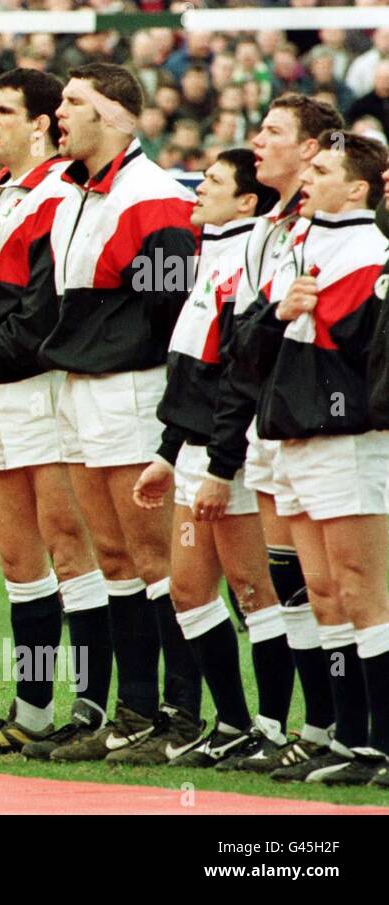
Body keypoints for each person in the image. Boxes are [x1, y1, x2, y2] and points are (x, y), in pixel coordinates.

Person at [0, 64, 203, 762]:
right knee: (116, 558)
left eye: (74, 103)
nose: (59, 114)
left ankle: (179, 714)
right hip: (77, 391)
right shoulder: (72, 196)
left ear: (118, 116)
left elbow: (174, 309)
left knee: (156, 558)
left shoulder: (151, 197)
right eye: (60, 101)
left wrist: (145, 380)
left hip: (127, 390)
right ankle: (129, 713)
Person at [0, 68, 110, 759]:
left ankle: (96, 707)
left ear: (42, 124)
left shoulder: (56, 194)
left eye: (5, 111)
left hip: (33, 386)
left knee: (70, 548)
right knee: (17, 556)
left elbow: (44, 305)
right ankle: (35, 707)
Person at [131, 148, 292, 768]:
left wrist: (222, 463)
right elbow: (193, 372)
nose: (198, 189)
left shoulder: (249, 259)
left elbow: (241, 374)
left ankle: (274, 728)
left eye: (214, 183)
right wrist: (169, 451)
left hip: (234, 452)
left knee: (254, 589)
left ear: (248, 201)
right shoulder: (209, 254)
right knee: (189, 590)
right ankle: (230, 722)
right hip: (195, 451)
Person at [237, 132, 389, 786]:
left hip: (344, 438)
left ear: (357, 187)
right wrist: (280, 310)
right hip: (289, 435)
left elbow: (367, 358)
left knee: (361, 590)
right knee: (324, 591)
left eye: (323, 169)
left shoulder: (370, 253)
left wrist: (313, 320)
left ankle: (381, 740)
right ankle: (349, 736)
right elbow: (242, 342)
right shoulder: (297, 242)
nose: (309, 176)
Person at [204, 95, 343, 775]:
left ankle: (343, 730)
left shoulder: (334, 225)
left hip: (319, 425)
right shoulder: (267, 227)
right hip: (267, 420)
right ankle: (317, 727)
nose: (257, 141)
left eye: (273, 132)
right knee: (292, 585)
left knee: (333, 585)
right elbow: (244, 340)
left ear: (313, 149)